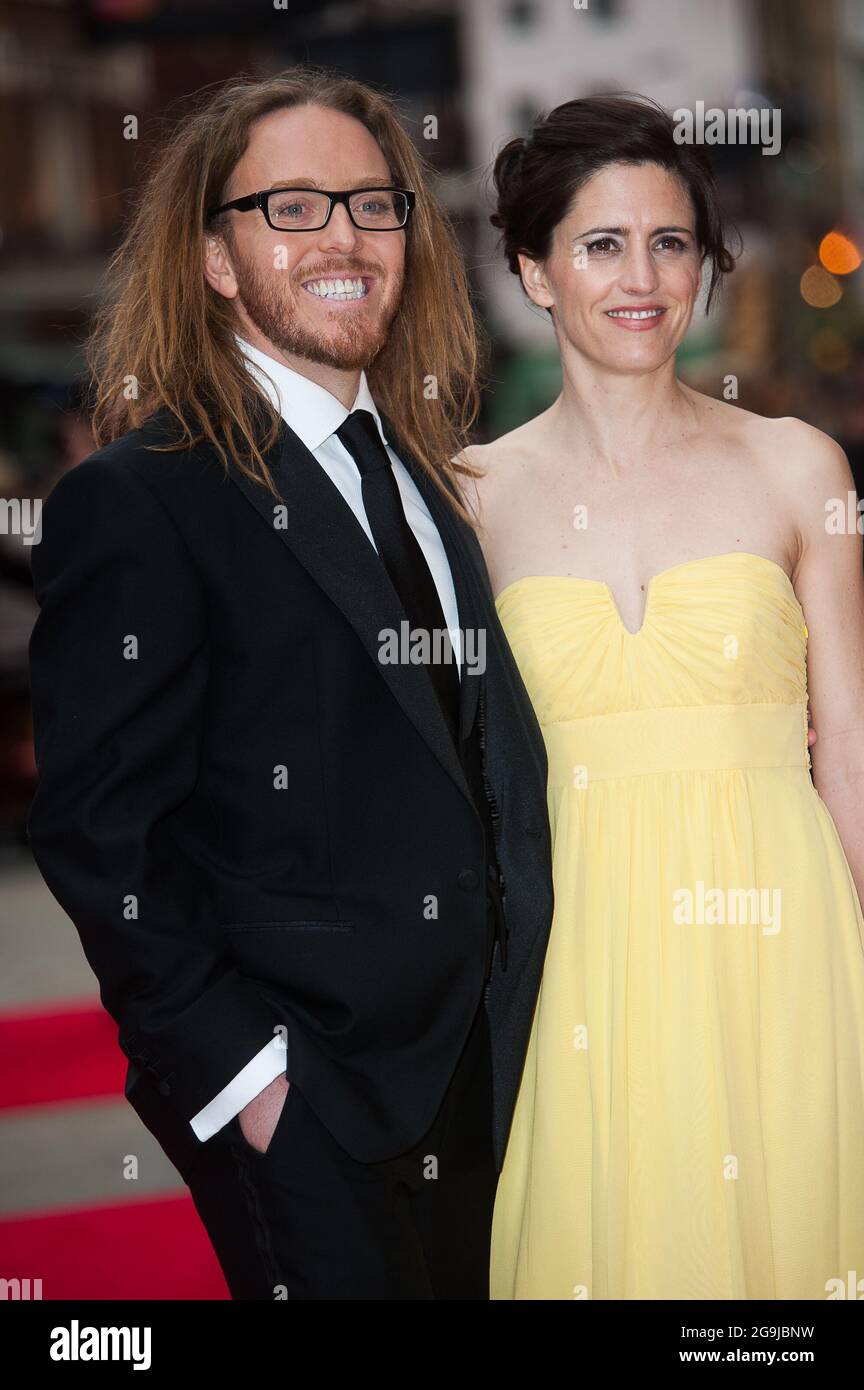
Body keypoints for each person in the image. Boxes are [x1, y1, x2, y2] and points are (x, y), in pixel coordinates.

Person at [25, 68, 553, 1300]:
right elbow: (102, 836)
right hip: (312, 1105)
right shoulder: (145, 493)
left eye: (375, 206)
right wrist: (250, 1086)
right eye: (293, 208)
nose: (345, 239)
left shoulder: (427, 480)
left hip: (489, 1075)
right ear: (216, 258)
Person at [461, 94, 864, 1300]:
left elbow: (847, 743)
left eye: (670, 242)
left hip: (781, 941)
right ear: (533, 271)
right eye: (600, 244)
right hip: (576, 955)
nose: (642, 278)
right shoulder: (469, 494)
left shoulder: (798, 464)